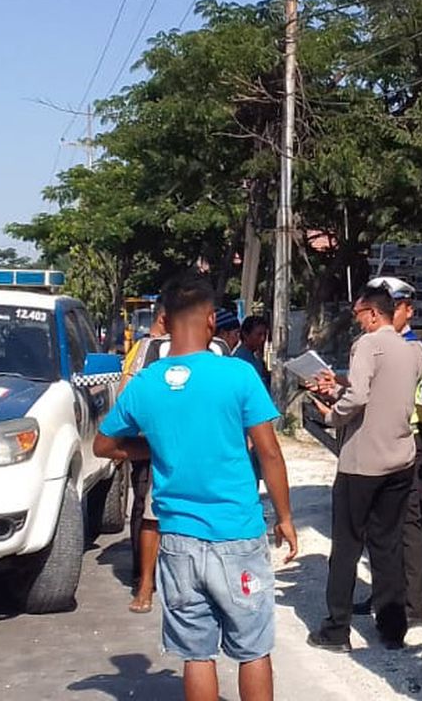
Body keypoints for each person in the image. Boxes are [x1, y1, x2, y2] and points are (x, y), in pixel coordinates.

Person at [95, 275, 298, 701]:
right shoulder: (238, 374)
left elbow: (104, 444)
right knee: (253, 649)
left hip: (179, 541)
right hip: (237, 533)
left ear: (164, 322)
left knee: (197, 655)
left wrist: (149, 449)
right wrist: (285, 518)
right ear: (210, 321)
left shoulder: (147, 382)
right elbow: (270, 453)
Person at [306, 285, 422, 652]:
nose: (356, 322)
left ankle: (336, 628)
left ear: (373, 314)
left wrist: (333, 416)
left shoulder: (367, 345)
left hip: (362, 461)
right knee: (387, 544)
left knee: (346, 546)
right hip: (400, 456)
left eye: (358, 315)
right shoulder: (413, 351)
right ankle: (393, 629)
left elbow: (357, 396)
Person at [348, 277, 422, 627]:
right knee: (380, 529)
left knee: (405, 527)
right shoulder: (384, 344)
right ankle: (386, 596)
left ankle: (411, 605)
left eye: (393, 307)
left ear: (407, 309)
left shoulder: (411, 348)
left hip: (403, 442)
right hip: (383, 442)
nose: (386, 314)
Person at [118, 304, 166, 614]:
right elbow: (126, 394)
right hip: (149, 444)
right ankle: (143, 578)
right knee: (146, 509)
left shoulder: (208, 352)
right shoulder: (146, 348)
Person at [234, 315, 271, 390]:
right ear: (245, 334)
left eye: (265, 335)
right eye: (259, 334)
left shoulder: (255, 357)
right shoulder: (241, 359)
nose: (263, 339)